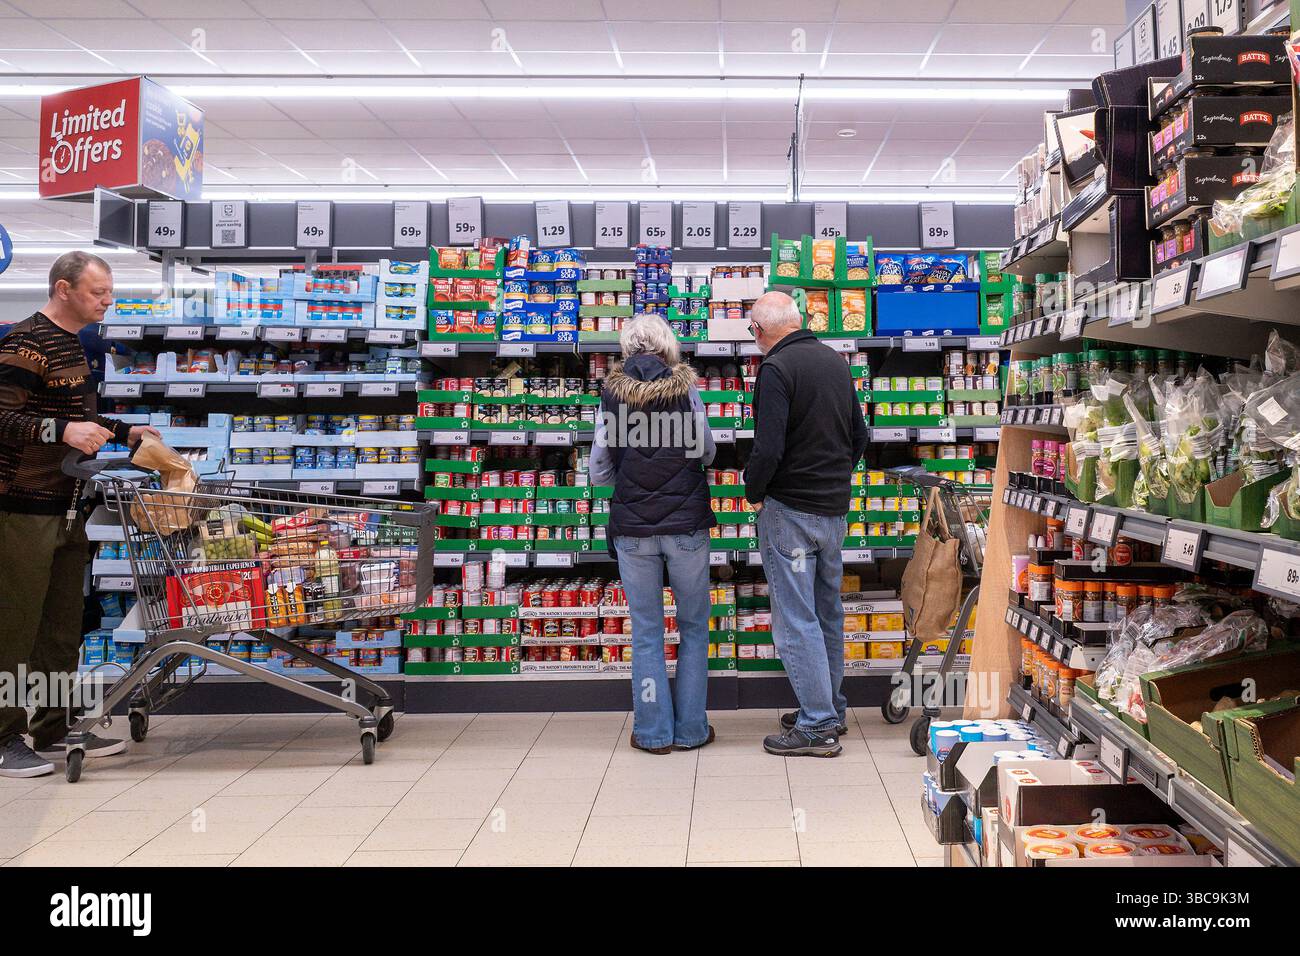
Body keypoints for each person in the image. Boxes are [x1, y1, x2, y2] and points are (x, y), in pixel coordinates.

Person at [0, 252, 159, 778]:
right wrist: (61, 433)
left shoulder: (73, 343)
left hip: (69, 504)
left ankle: (50, 727)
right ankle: (3, 735)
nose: (107, 301)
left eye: (109, 292)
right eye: (99, 292)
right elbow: (5, 415)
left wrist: (120, 431)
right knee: (14, 626)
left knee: (61, 624)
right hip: (22, 505)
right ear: (64, 289)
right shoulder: (26, 342)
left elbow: (76, 416)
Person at [744, 291, 868, 758]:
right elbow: (860, 436)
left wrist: (755, 492)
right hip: (833, 510)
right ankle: (828, 707)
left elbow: (768, 447)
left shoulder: (775, 370)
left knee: (796, 618)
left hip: (790, 512)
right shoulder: (835, 362)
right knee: (826, 611)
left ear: (761, 329)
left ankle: (817, 726)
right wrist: (832, 479)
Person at [589, 315, 717, 754]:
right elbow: (707, 451)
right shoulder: (687, 390)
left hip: (633, 529)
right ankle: (692, 730)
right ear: (668, 347)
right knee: (694, 627)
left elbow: (598, 469)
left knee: (646, 629)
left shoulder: (611, 395)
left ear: (627, 349)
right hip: (687, 528)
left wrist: (630, 476)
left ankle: (653, 732)